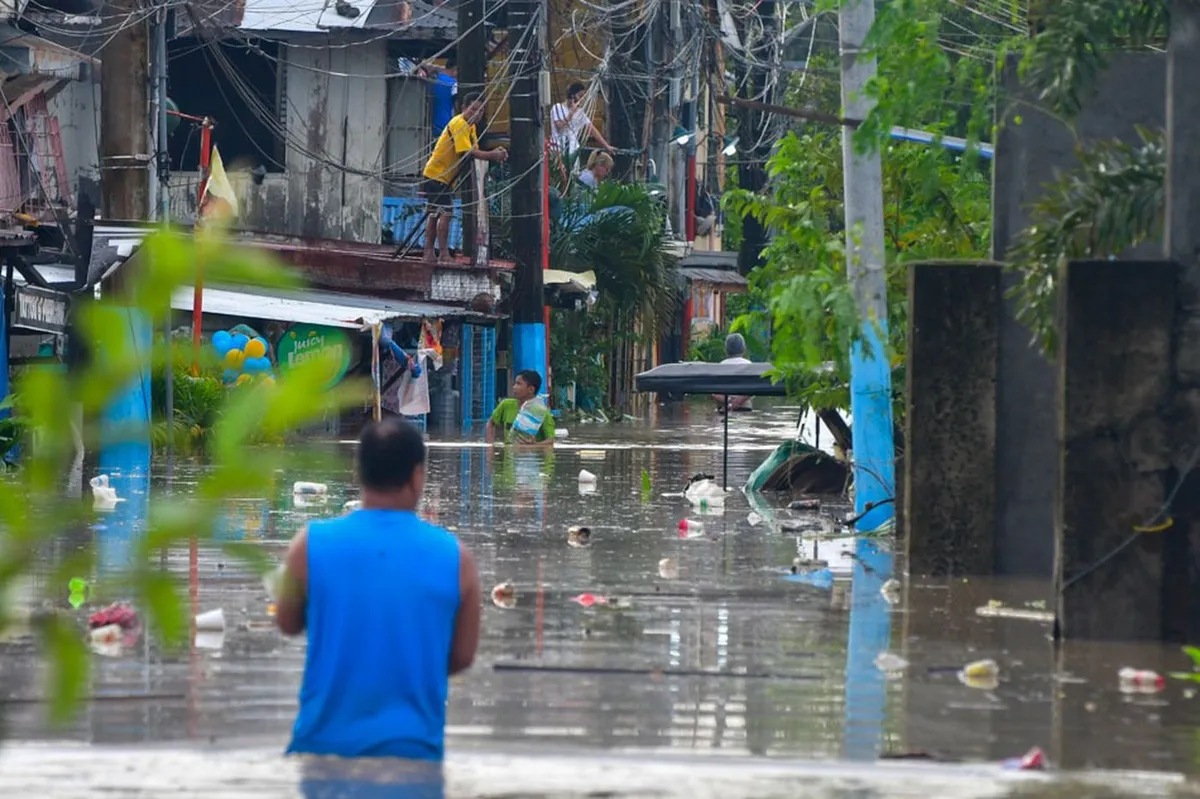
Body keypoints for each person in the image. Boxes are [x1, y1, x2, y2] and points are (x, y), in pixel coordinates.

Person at [277, 418, 482, 760]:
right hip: (413, 752)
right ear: (417, 476)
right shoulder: (457, 559)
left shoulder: (308, 545)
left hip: (322, 748)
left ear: (358, 473)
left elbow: (287, 622)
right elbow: (462, 656)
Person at [421, 93, 508, 264]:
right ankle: (443, 253)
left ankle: (429, 252)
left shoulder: (470, 127)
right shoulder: (459, 123)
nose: (477, 114)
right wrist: (492, 155)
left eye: (481, 111)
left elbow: (474, 151)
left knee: (434, 214)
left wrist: (495, 153)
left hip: (442, 177)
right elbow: (466, 153)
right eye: (473, 109)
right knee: (444, 214)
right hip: (438, 175)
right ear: (464, 108)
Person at [550, 82, 614, 167]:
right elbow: (559, 127)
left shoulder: (580, 113)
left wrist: (606, 145)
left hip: (573, 151)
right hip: (558, 149)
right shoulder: (557, 108)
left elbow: (591, 129)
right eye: (580, 96)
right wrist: (570, 114)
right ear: (572, 95)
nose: (581, 100)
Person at [485, 370, 555, 446]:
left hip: (531, 452)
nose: (514, 387)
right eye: (515, 383)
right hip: (509, 450)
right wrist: (490, 446)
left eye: (519, 384)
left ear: (531, 389)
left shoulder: (542, 412)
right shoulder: (506, 405)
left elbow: (550, 441)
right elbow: (491, 423)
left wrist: (535, 445)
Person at [713, 333, 753, 413]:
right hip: (744, 408)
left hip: (724, 408)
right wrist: (739, 401)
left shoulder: (720, 366)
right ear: (744, 349)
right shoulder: (749, 365)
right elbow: (753, 388)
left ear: (726, 350)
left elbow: (713, 392)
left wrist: (728, 401)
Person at [417, 59, 458, 136]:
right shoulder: (454, 84)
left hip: (429, 127)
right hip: (447, 126)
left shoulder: (431, 80)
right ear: (455, 69)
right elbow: (457, 106)